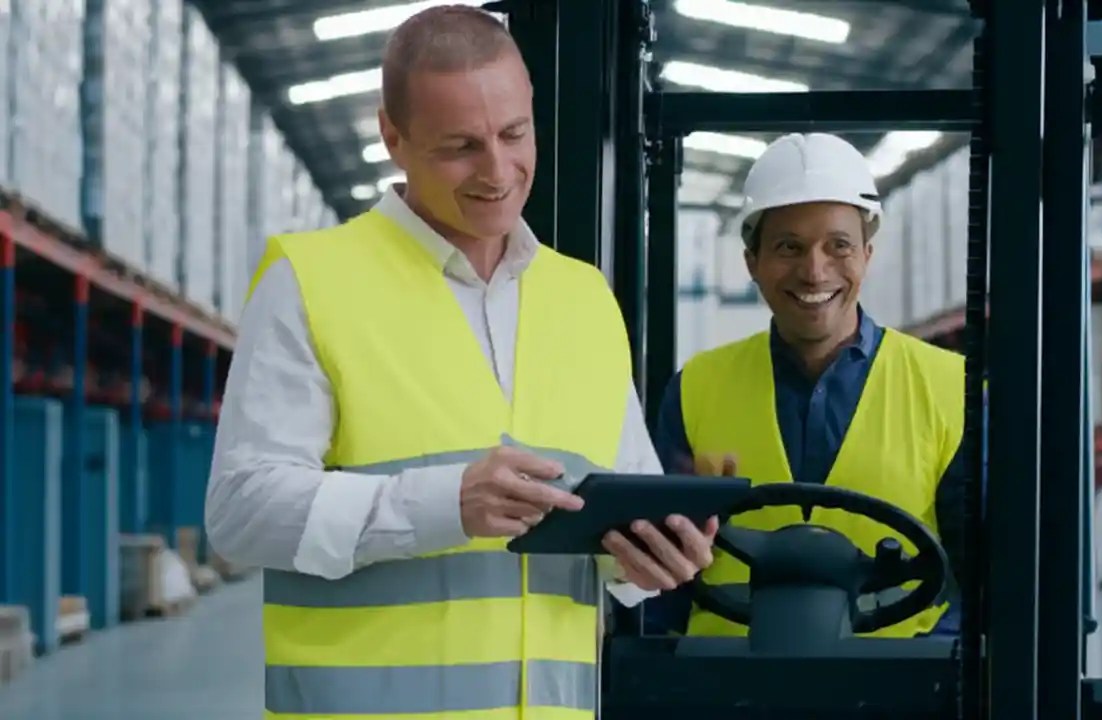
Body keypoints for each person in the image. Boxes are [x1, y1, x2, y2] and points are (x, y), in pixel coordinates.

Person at [204, 6, 717, 719]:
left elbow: (617, 524)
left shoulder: (584, 299)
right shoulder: (313, 280)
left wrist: (650, 559)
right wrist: (443, 505)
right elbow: (240, 511)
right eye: (461, 147)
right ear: (393, 137)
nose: (499, 172)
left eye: (514, 134)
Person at [645, 132, 972, 639]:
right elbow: (660, 579)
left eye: (838, 246)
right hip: (724, 691)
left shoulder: (952, 387)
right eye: (788, 247)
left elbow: (985, 576)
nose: (814, 270)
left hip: (896, 691)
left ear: (866, 253)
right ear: (752, 261)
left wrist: (933, 672)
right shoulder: (696, 389)